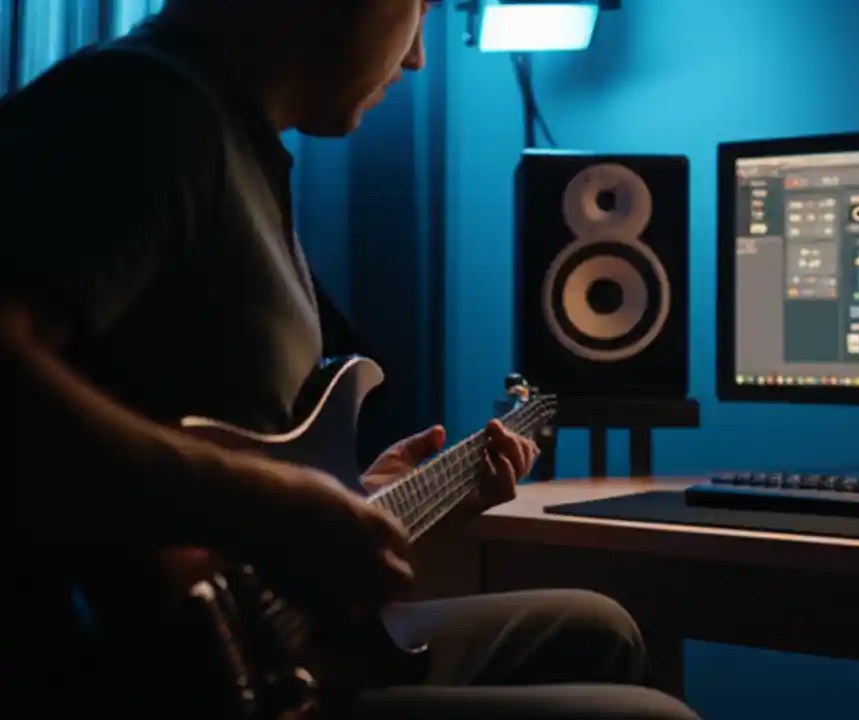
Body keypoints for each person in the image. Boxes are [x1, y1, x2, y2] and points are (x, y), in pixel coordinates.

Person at [0, 0, 698, 717]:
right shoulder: (139, 108)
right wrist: (261, 503)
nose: (418, 56)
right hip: (141, 680)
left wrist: (358, 495)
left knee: (596, 627)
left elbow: (195, 422)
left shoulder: (234, 142)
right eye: (419, 10)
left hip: (262, 639)